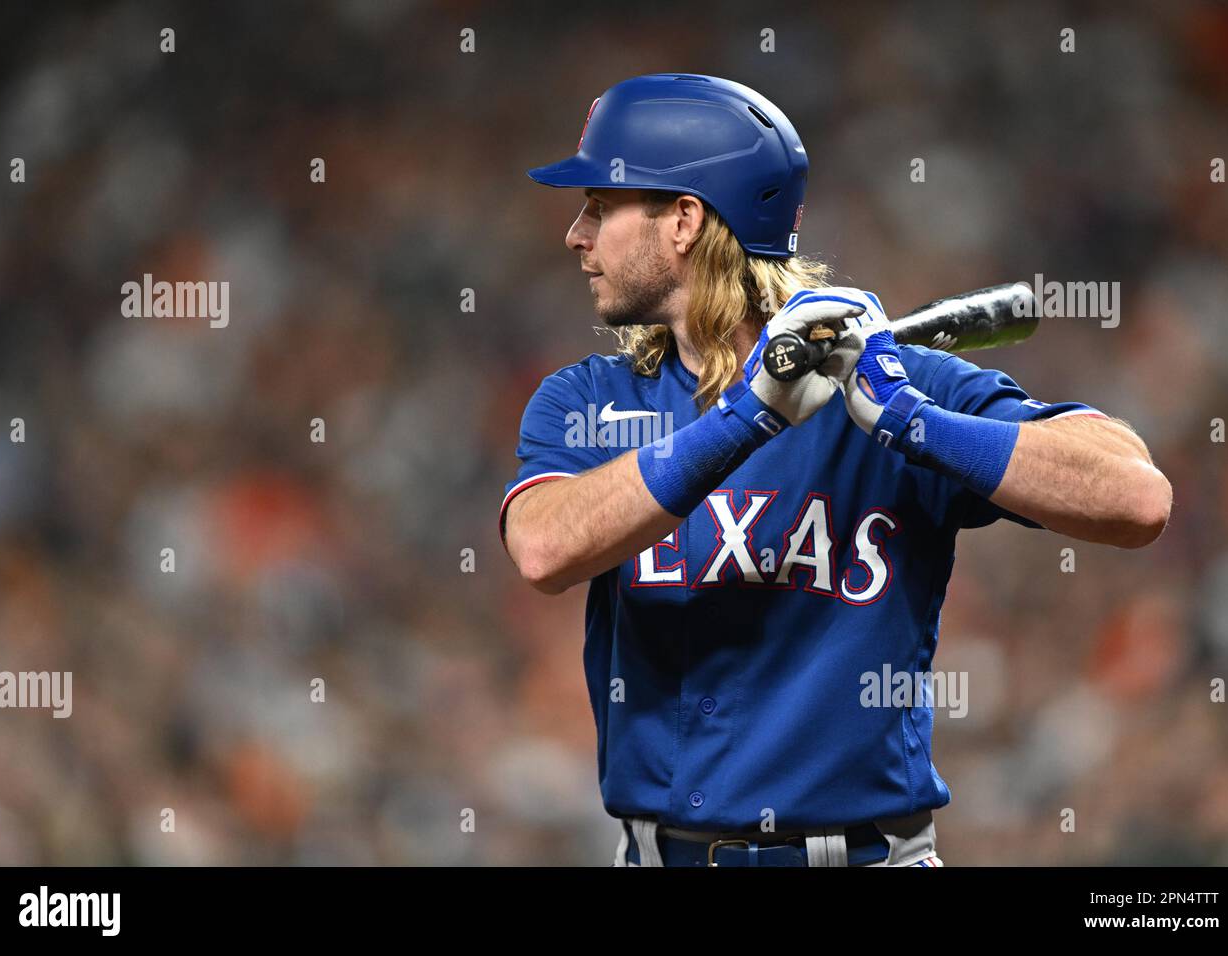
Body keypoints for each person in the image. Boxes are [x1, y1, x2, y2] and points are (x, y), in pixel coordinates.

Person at [500, 74, 1172, 867]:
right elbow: (543, 549)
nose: (577, 235)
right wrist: (744, 419)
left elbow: (1137, 498)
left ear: (683, 220)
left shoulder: (888, 382)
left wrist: (914, 421)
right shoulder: (588, 398)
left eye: (600, 207)